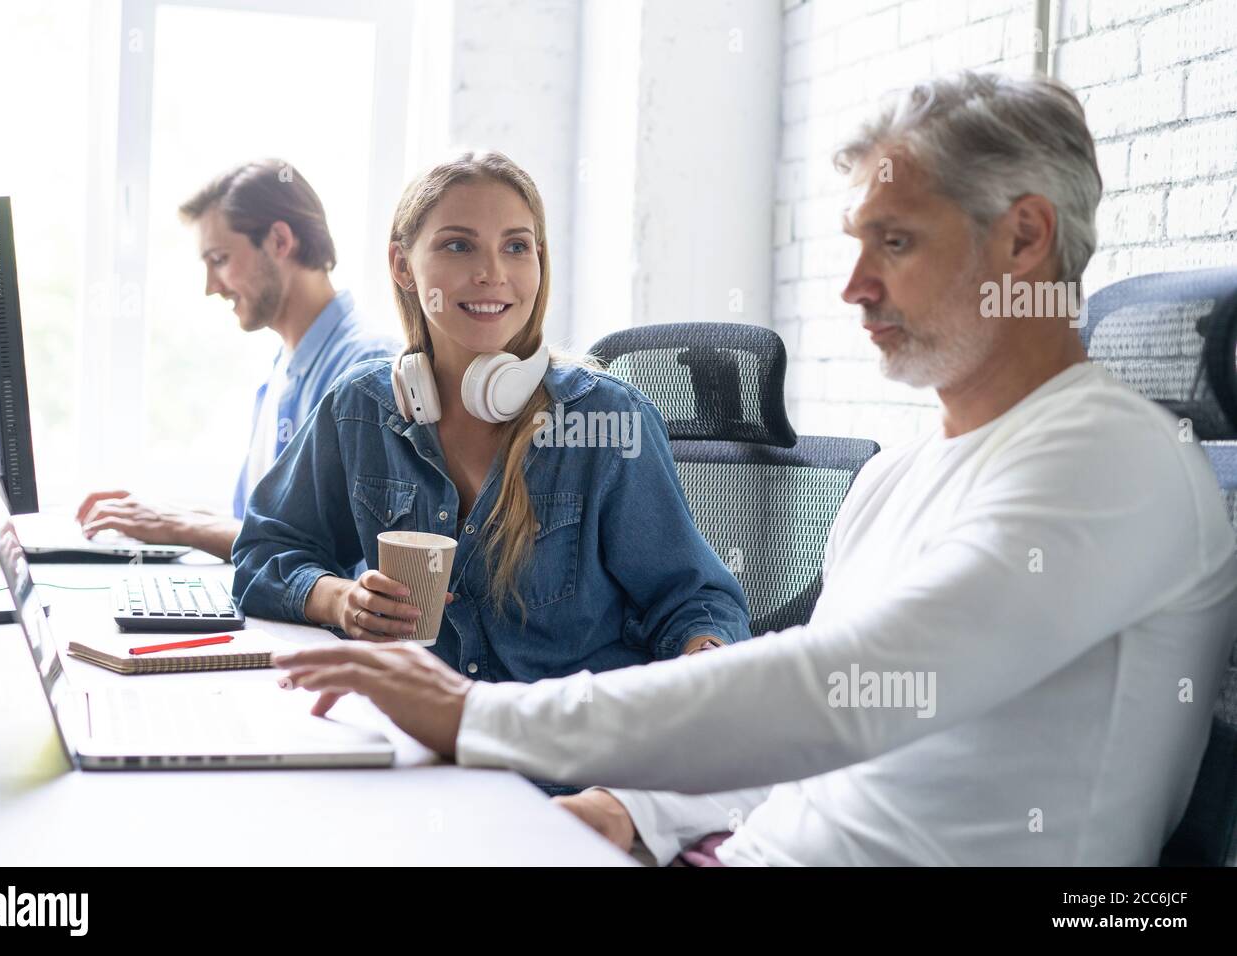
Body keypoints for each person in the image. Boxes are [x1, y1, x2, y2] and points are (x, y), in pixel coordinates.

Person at [271, 73, 1237, 865]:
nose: (854, 286)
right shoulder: (902, 476)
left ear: (1023, 239)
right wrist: (633, 811)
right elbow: (797, 738)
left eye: (893, 242)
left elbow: (840, 691)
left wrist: (476, 712)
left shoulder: (1108, 464)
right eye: (855, 244)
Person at [233, 150, 749, 702]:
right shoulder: (360, 409)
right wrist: (338, 599)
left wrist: (704, 665)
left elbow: (695, 600)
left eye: (516, 247)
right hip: (419, 742)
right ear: (404, 267)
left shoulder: (605, 421)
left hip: (566, 759)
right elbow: (264, 550)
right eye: (459, 245)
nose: (492, 274)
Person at [75, 159, 398, 559]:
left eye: (219, 259)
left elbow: (319, 549)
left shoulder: (366, 370)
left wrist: (177, 525)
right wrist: (160, 514)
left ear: (280, 241)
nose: (211, 287)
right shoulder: (284, 368)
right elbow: (265, 524)